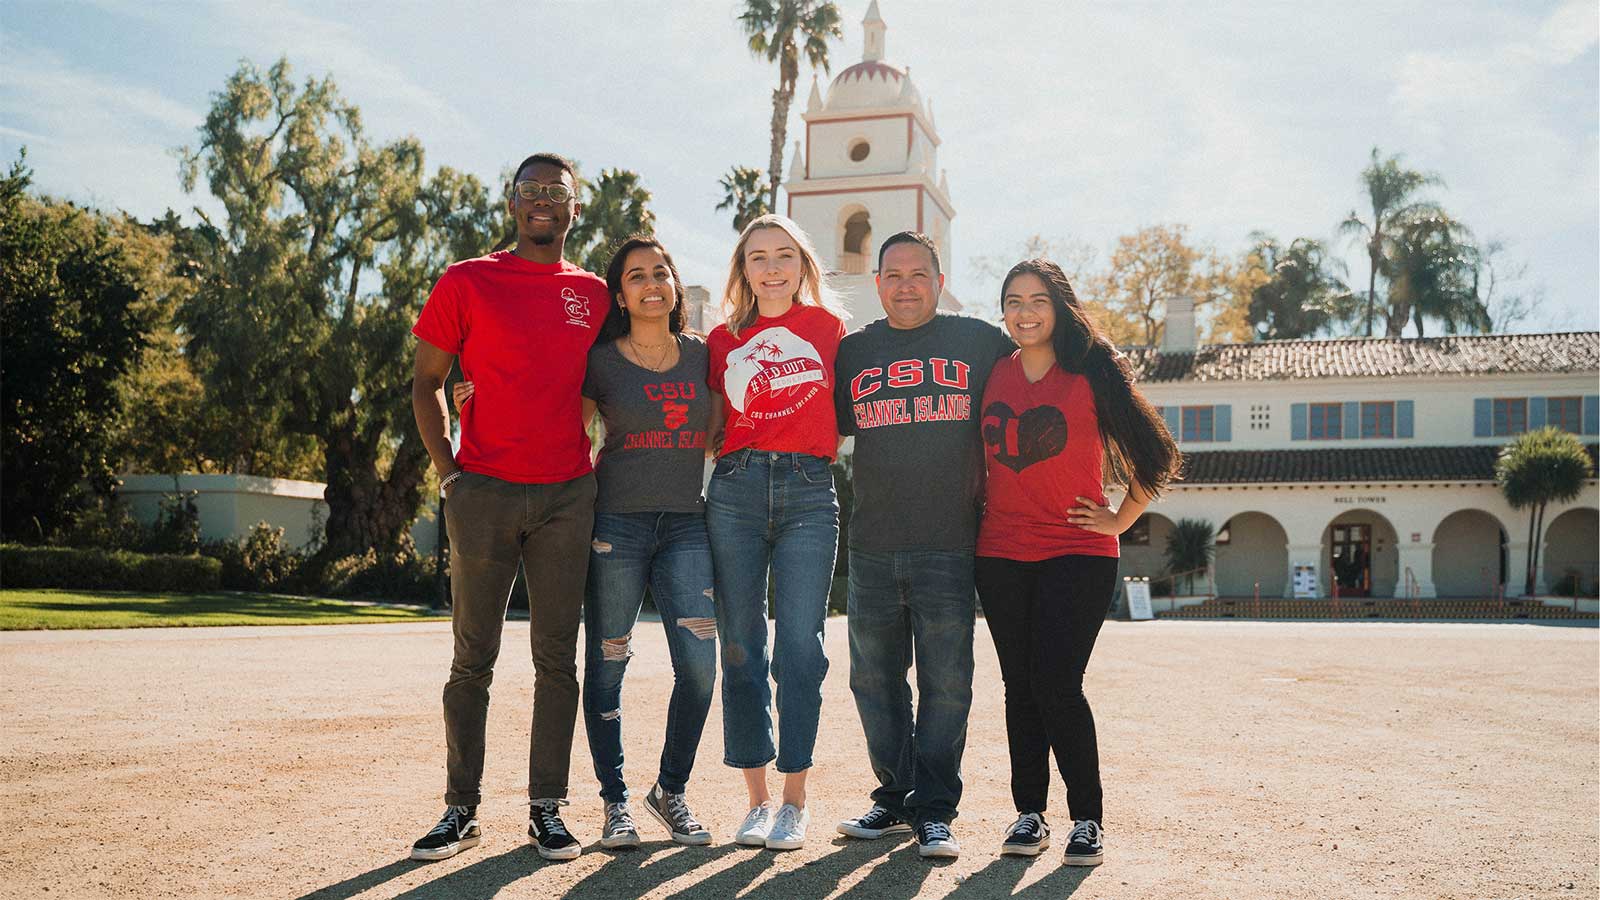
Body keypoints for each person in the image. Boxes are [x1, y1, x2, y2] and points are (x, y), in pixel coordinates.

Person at [453, 236, 719, 850]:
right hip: (615, 526)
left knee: (700, 670)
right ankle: (615, 801)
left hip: (686, 524)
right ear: (618, 295)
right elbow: (547, 411)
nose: (651, 284)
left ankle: (670, 792)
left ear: (675, 285)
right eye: (635, 277)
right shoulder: (598, 361)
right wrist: (473, 398)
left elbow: (726, 424)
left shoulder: (704, 356)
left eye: (661, 273)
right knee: (606, 668)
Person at [408, 153, 607, 863]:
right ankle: (460, 809)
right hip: (483, 492)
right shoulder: (468, 279)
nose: (543, 202)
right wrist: (450, 475)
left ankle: (546, 809)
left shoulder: (596, 293)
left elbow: (627, 373)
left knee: (557, 662)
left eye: (557, 192)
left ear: (574, 208)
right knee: (472, 662)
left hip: (566, 496)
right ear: (513, 203)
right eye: (531, 191)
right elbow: (428, 381)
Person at [975, 259, 1180, 866]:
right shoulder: (992, 374)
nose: (1025, 311)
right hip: (1001, 552)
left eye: (1038, 299)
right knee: (1019, 688)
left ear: (1061, 306)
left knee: (1057, 685)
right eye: (1013, 300)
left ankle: (1086, 819)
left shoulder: (1093, 368)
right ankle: (1029, 815)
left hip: (1077, 552)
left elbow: (1157, 455)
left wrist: (1120, 519)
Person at [831, 232, 1013, 859]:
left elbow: (1043, 370)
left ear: (939, 280)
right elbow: (810, 427)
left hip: (950, 543)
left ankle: (935, 811)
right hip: (873, 543)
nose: (905, 284)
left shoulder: (979, 342)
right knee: (874, 681)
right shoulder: (852, 353)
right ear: (878, 283)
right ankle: (894, 796)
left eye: (918, 273)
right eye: (893, 274)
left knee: (948, 683)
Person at [705, 214, 845, 851]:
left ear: (802, 264)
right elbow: (704, 420)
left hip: (809, 493)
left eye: (783, 255)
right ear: (743, 270)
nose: (771, 268)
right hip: (734, 490)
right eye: (757, 257)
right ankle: (756, 801)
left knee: (800, 646)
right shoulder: (720, 340)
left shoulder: (830, 330)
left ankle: (794, 800)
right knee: (740, 643)